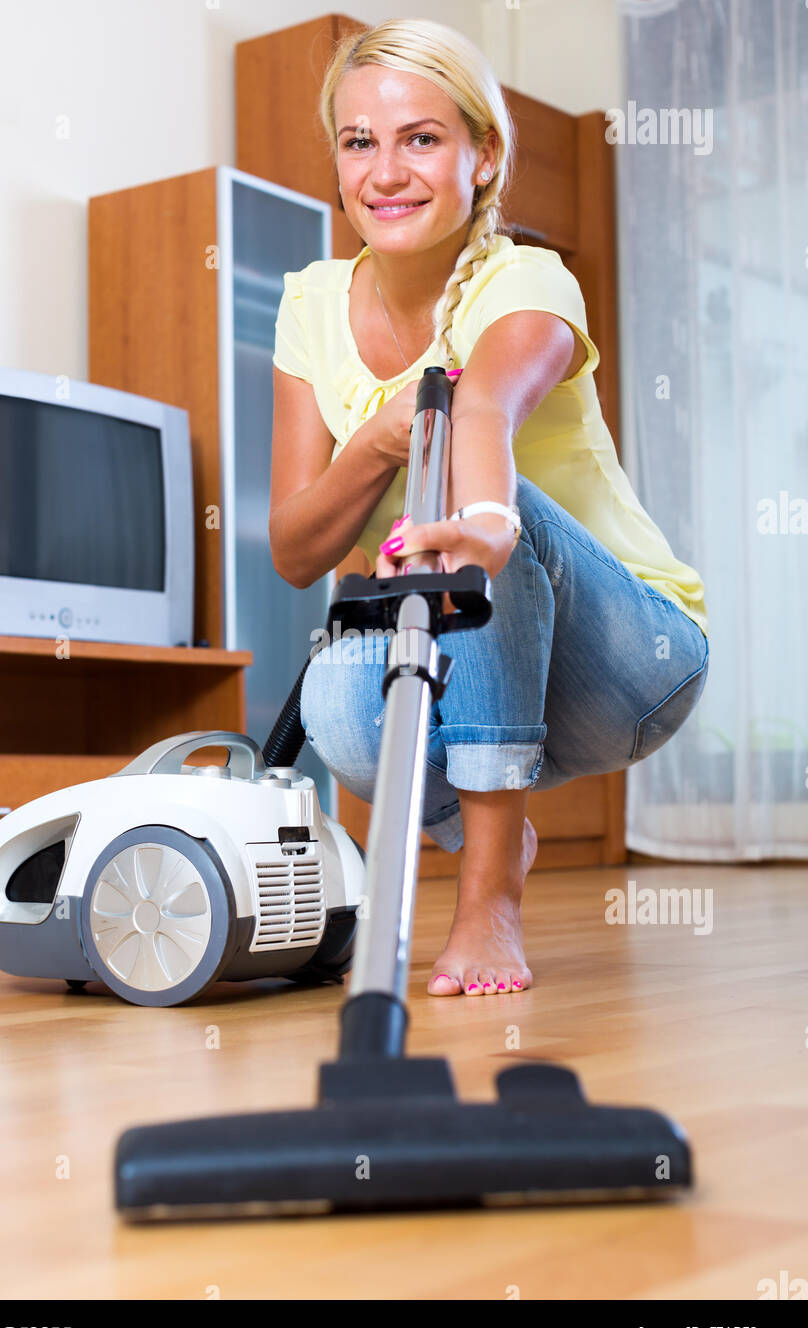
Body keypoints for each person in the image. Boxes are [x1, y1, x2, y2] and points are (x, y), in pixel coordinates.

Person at [269, 18, 709, 998]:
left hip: (632, 659)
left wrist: (488, 523)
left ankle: (487, 904)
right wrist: (380, 438)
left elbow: (482, 407)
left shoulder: (526, 280)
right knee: (339, 701)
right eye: (359, 141)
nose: (385, 170)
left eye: (420, 138)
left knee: (476, 560)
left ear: (483, 155)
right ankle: (491, 822)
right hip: (483, 657)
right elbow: (297, 546)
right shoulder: (309, 306)